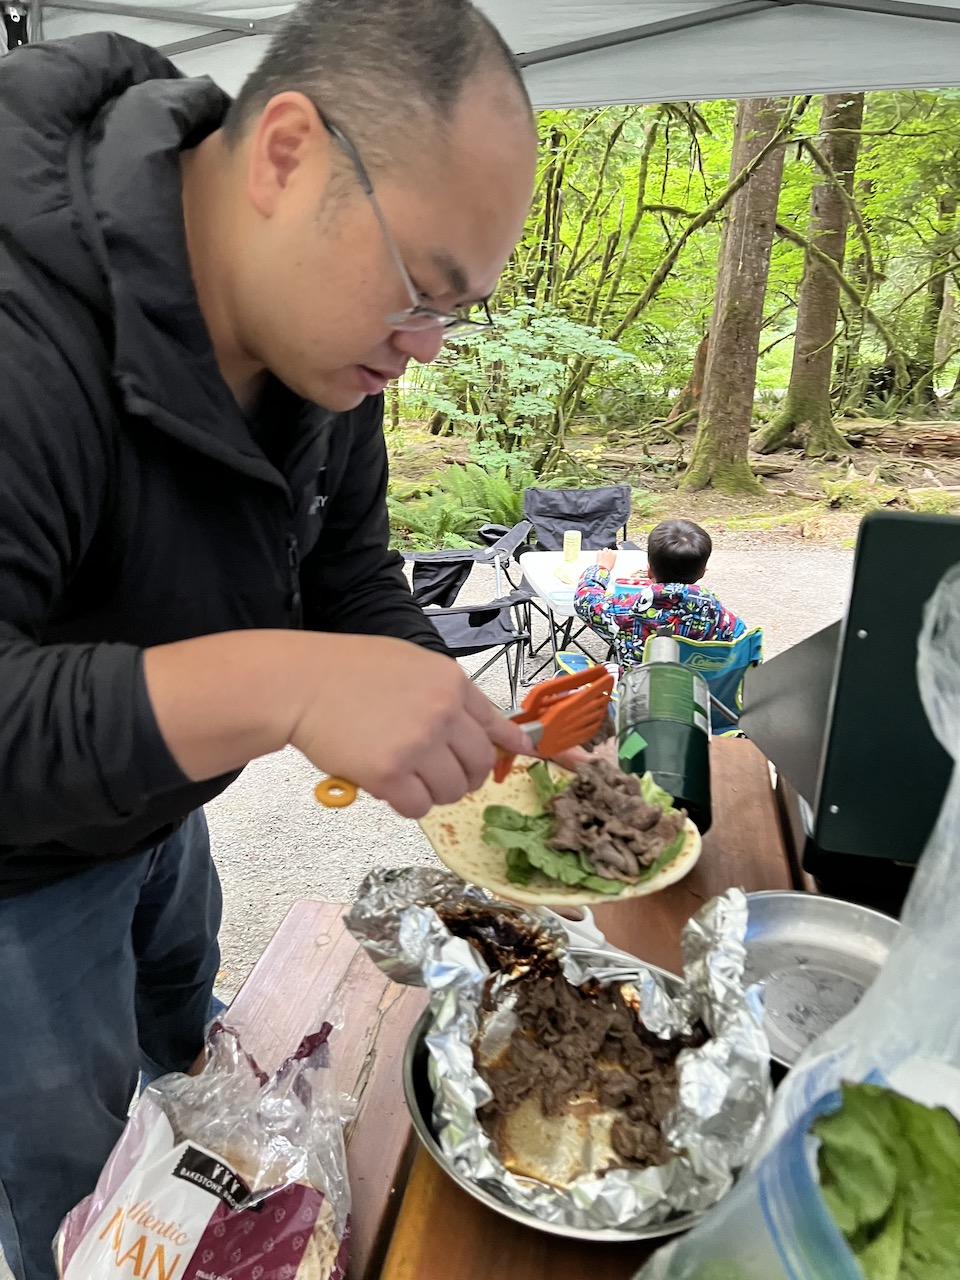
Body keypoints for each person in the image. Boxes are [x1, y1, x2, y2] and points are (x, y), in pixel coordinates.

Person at [0, 3, 541, 1275]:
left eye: (455, 312)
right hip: (19, 879)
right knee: (79, 1191)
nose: (422, 350)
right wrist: (289, 682)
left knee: (191, 1060)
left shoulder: (325, 344)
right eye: (419, 289)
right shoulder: (26, 336)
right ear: (288, 153)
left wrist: (453, 711)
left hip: (159, 813)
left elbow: (345, 569)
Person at [573, 519, 745, 669]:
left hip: (636, 693)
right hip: (696, 692)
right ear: (703, 571)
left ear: (649, 570)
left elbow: (585, 601)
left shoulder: (628, 609)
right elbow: (744, 640)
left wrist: (601, 569)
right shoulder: (715, 612)